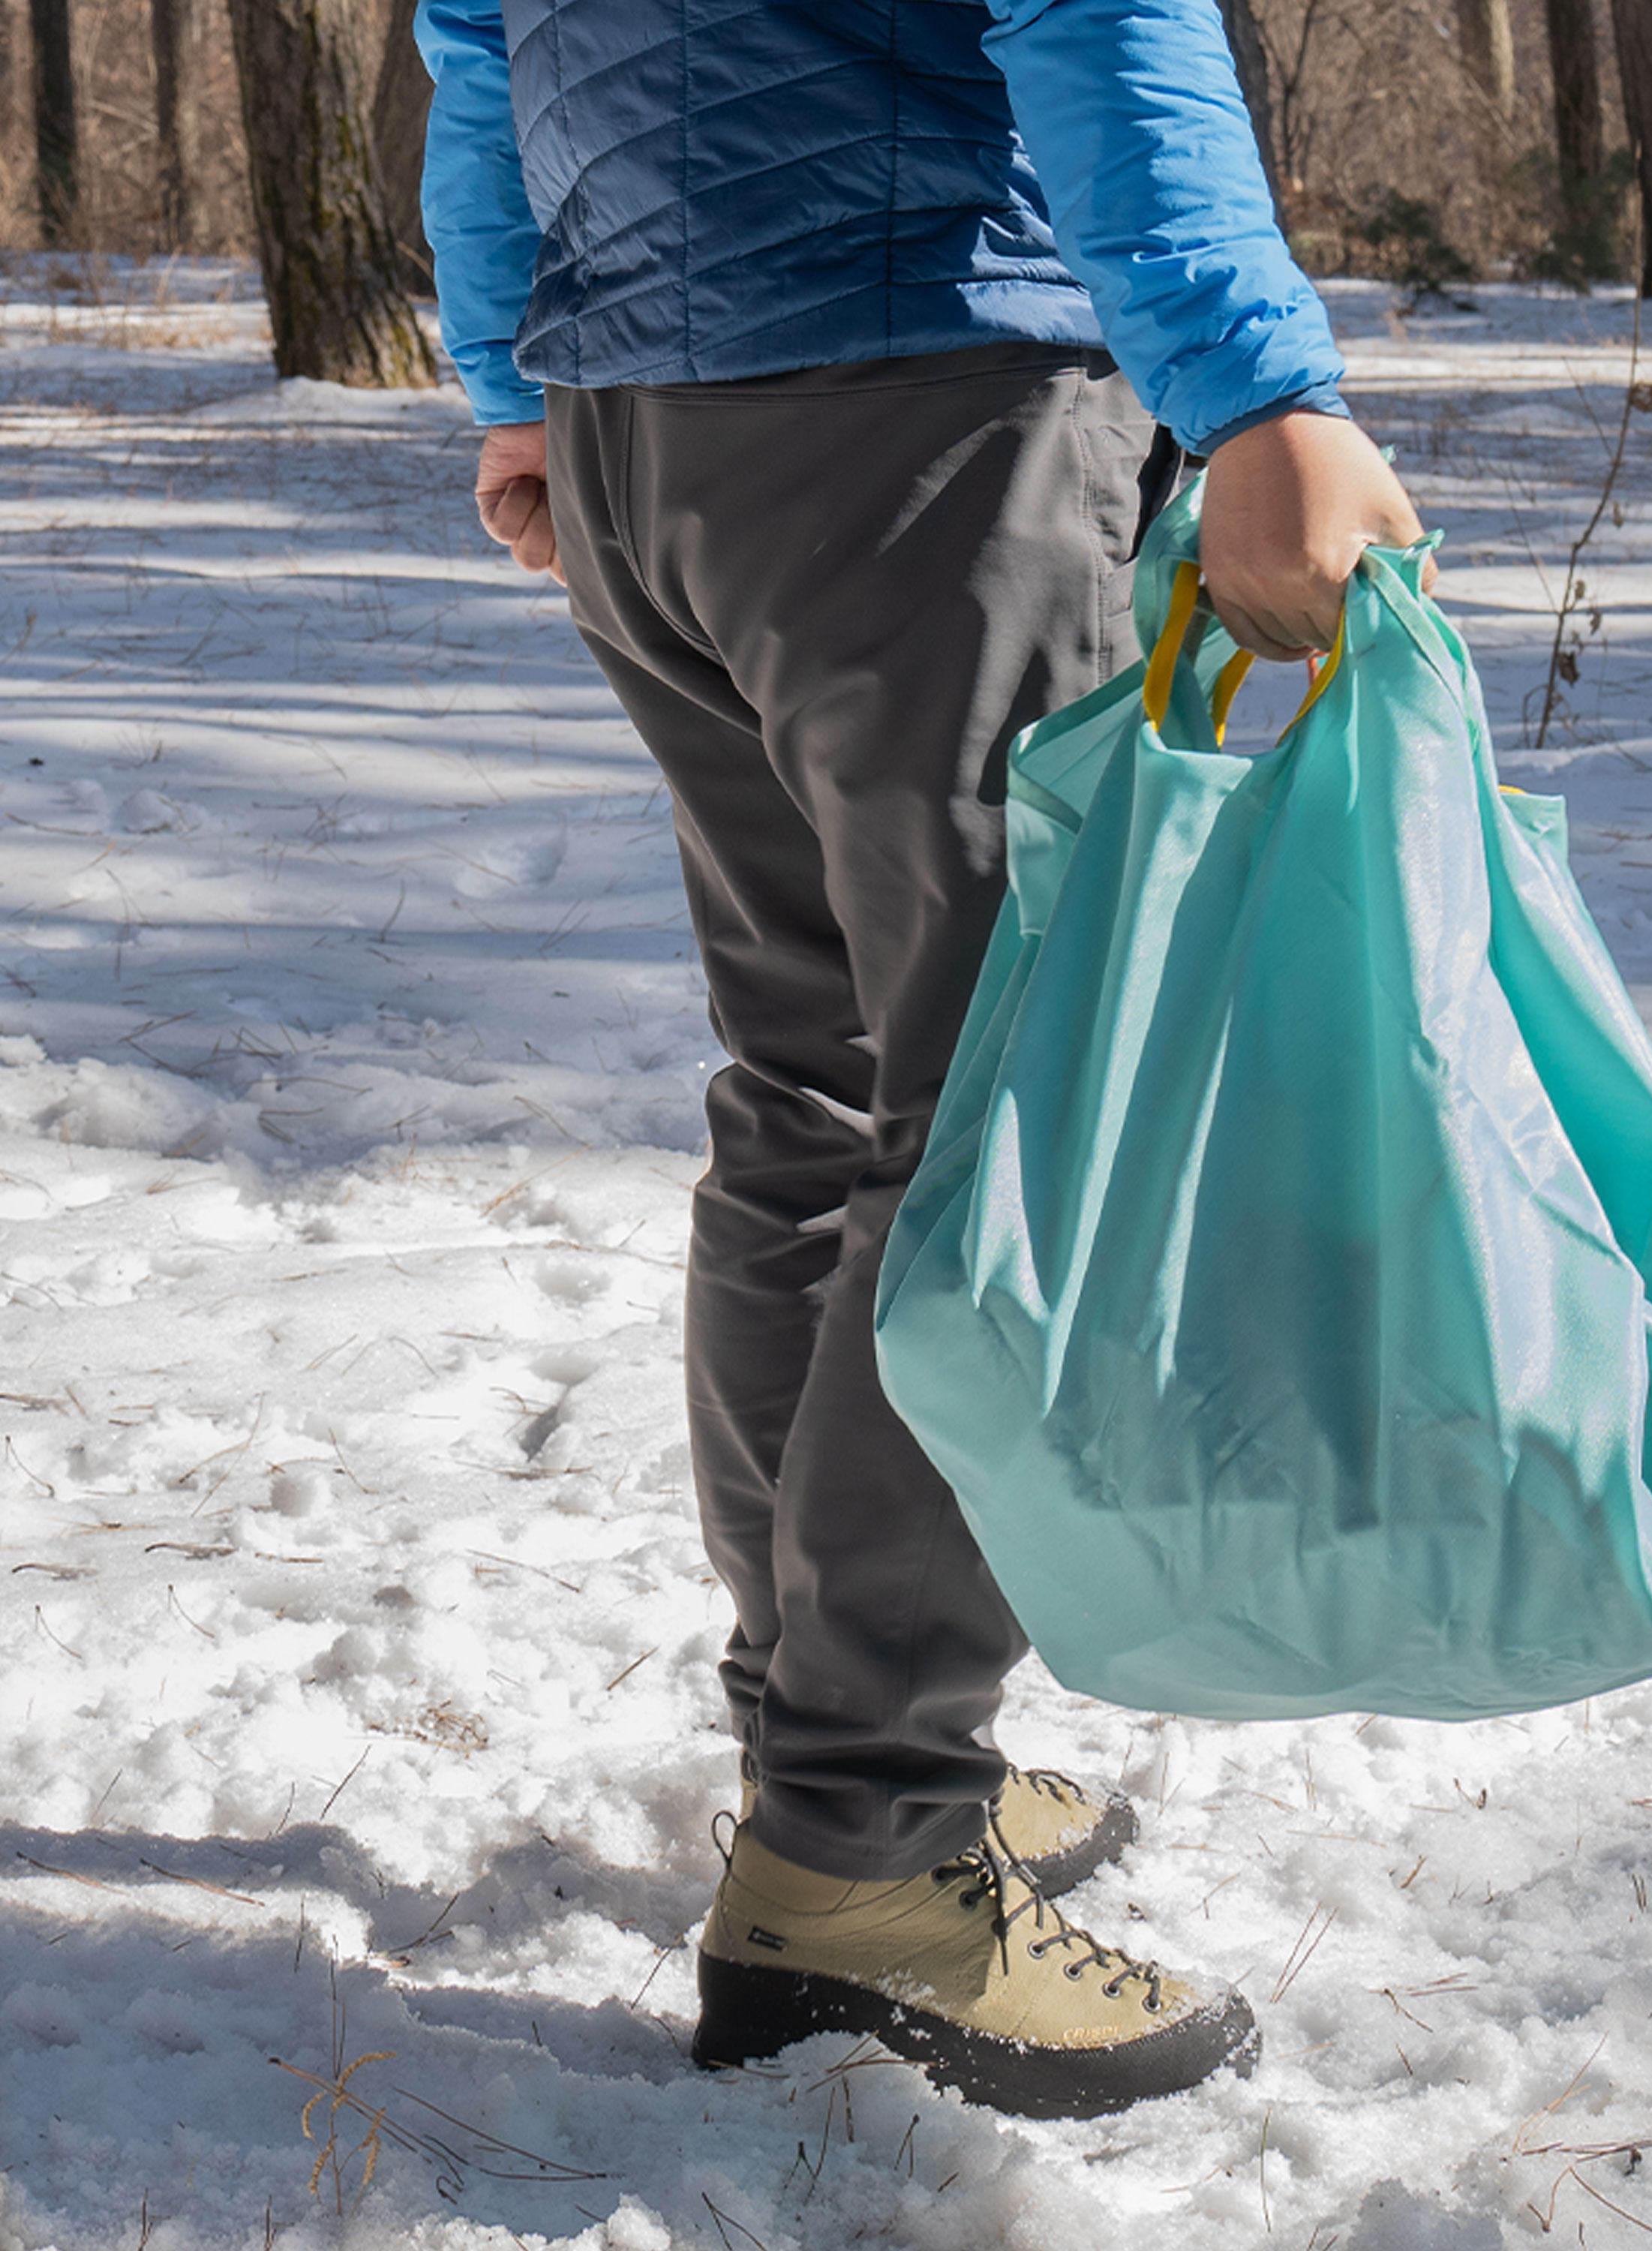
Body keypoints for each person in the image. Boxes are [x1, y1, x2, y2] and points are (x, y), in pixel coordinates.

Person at [416, 0, 1425, 2119]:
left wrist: (522, 383)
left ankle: (828, 1737)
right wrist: (1264, 389)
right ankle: (862, 1849)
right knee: (992, 1121)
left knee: (815, 1096)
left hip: (646, 430)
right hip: (919, 410)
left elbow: (479, 40)